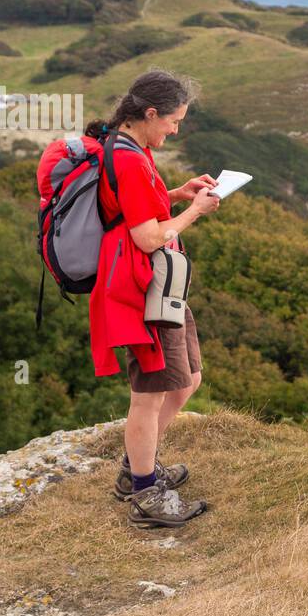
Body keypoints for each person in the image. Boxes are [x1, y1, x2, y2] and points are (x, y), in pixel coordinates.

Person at [86, 69, 220, 528]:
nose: (175, 129)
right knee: (149, 394)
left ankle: (135, 469)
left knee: (185, 382)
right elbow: (147, 238)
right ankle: (144, 493)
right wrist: (193, 212)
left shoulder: (128, 147)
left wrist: (177, 192)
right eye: (173, 121)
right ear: (148, 113)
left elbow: (134, 203)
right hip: (143, 289)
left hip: (161, 287)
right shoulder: (128, 157)